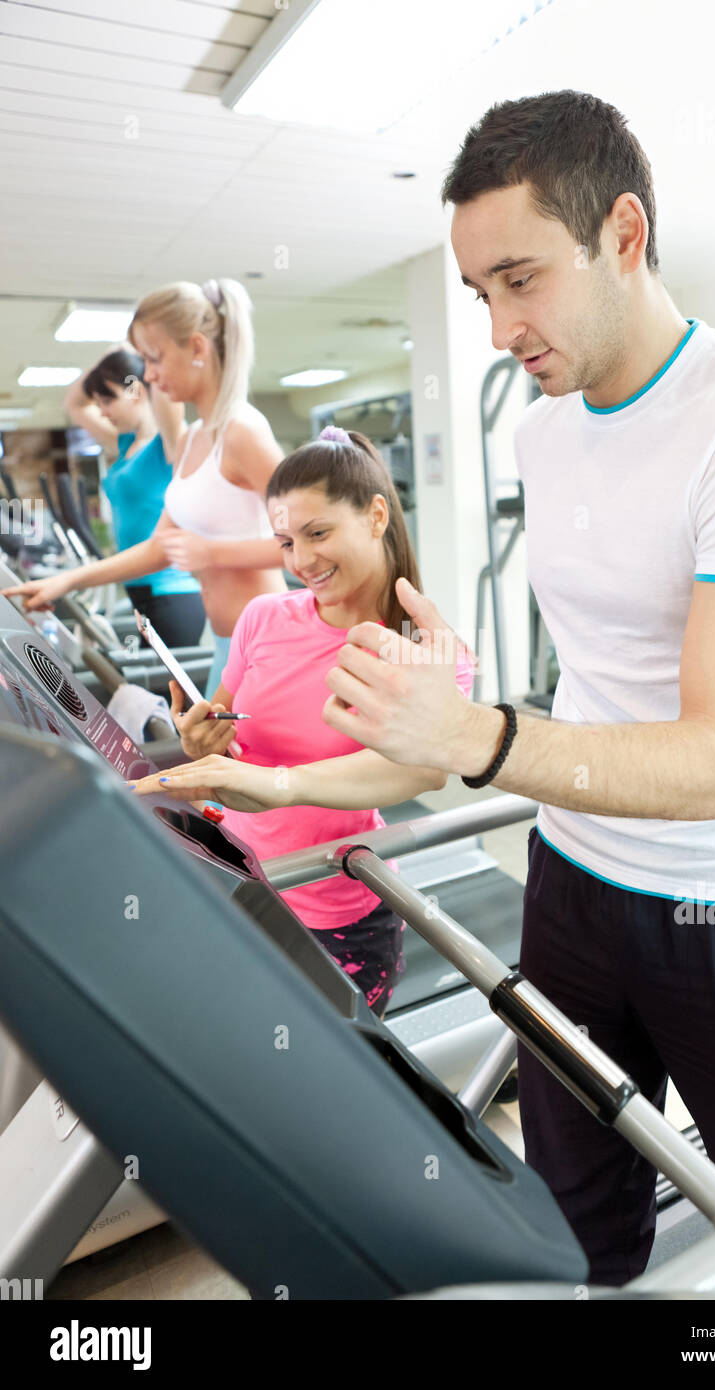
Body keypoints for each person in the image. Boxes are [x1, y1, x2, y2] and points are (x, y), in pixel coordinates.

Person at [310, 91, 715, 1285]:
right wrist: (446, 683)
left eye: (520, 278)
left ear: (621, 232)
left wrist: (473, 733)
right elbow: (600, 678)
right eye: (478, 295)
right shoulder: (544, 432)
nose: (500, 327)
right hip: (570, 885)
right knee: (574, 1222)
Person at [129, 426, 476, 1017]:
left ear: (374, 515)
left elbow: (418, 772)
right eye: (286, 542)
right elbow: (226, 722)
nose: (302, 561)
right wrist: (201, 737)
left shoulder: (425, 647)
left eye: (318, 533)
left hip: (339, 913)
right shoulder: (263, 617)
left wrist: (282, 785)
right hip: (242, 883)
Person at [3, 279, 286, 697]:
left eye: (154, 358)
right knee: (205, 753)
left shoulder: (242, 431)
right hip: (230, 642)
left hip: (268, 641)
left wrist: (213, 553)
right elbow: (159, 547)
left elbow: (310, 543)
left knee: (218, 759)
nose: (147, 376)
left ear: (197, 348)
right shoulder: (192, 441)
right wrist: (65, 582)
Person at [64, 347, 205, 648]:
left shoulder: (168, 443)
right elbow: (75, 405)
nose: (101, 410)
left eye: (108, 400)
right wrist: (108, 358)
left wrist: (143, 355)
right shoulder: (124, 443)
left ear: (136, 390)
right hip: (141, 593)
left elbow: (168, 405)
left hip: (170, 594)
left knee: (170, 695)